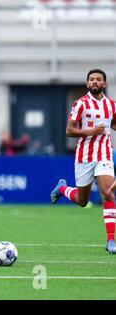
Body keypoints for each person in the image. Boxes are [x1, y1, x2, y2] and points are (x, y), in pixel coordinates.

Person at [51, 69, 116, 254]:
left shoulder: (111, 105)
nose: (95, 82)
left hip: (104, 154)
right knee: (82, 200)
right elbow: (69, 131)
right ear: (87, 84)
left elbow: (112, 123)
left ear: (104, 83)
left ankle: (111, 240)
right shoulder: (80, 104)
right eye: (91, 80)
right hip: (84, 157)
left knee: (108, 193)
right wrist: (89, 132)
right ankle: (63, 188)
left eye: (98, 79)